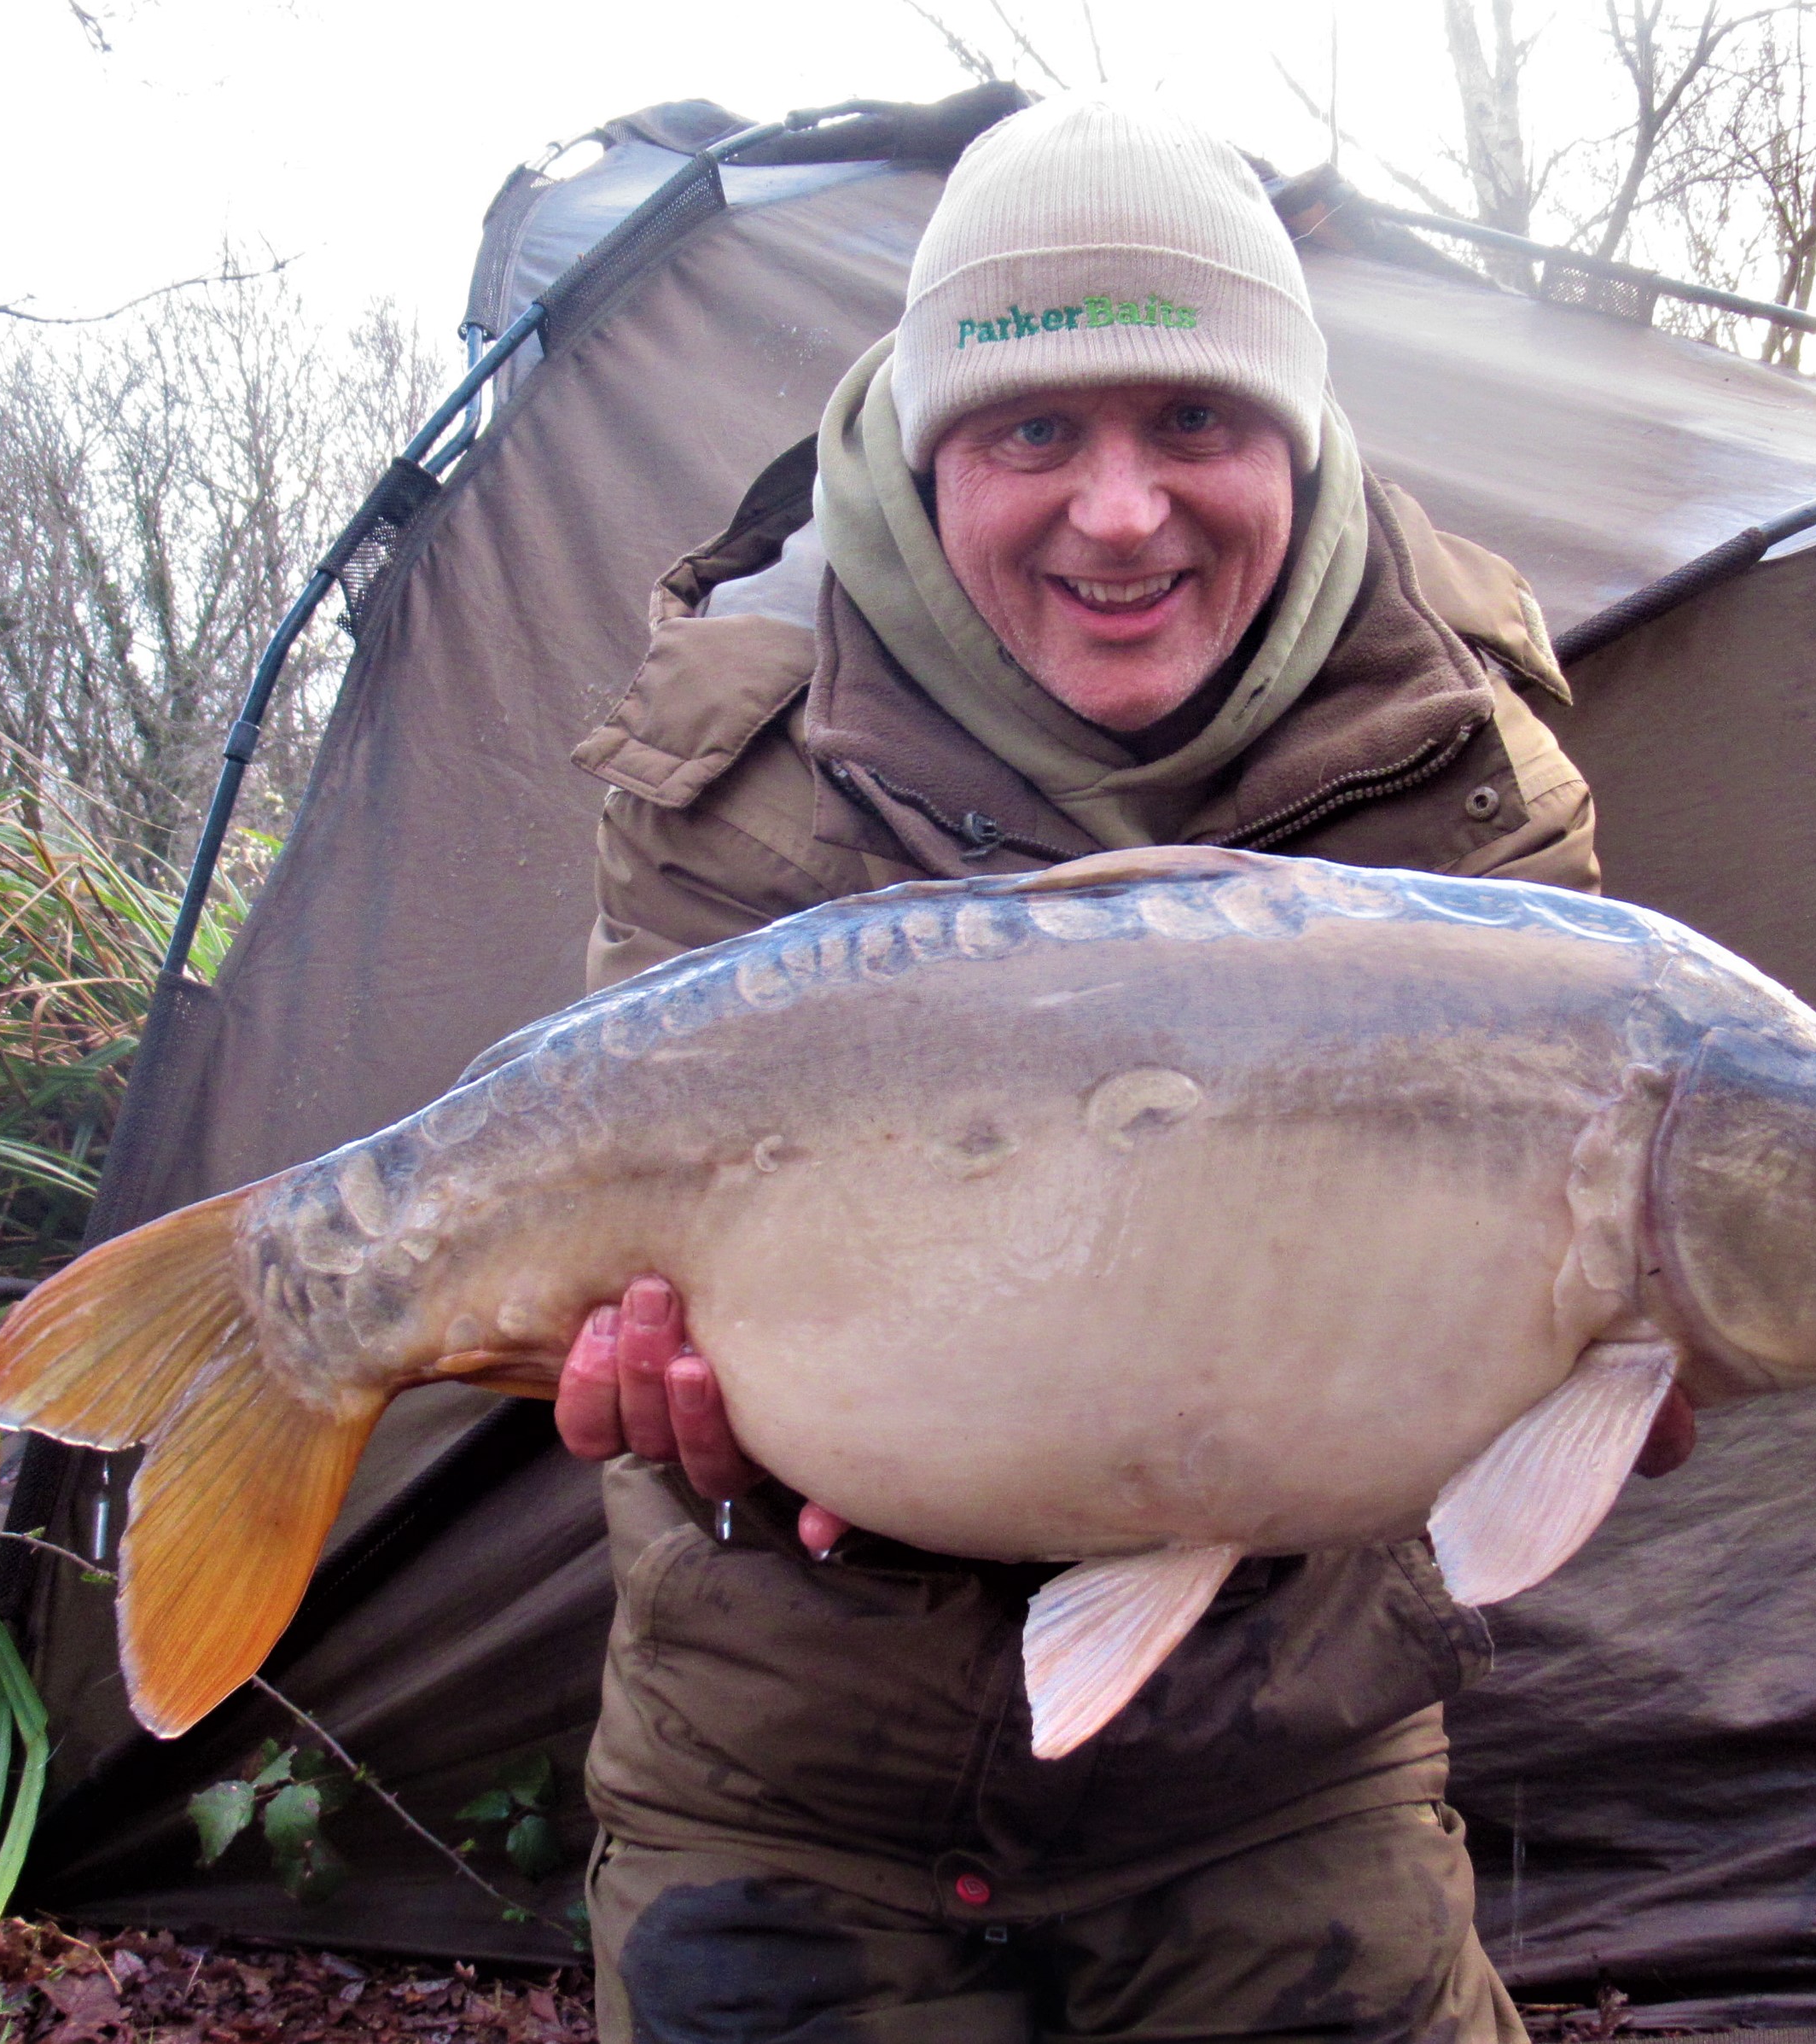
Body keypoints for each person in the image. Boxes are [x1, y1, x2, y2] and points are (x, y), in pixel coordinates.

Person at [553, 96, 1604, 2043]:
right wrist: (691, 1403)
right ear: (928, 447)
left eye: (1192, 419)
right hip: (786, 1774)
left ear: (1294, 436)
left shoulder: (1471, 781)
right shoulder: (727, 763)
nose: (1120, 512)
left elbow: (1520, 1425)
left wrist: (1588, 1373)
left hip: (1280, 1773)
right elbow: (629, 1228)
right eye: (1032, 430)